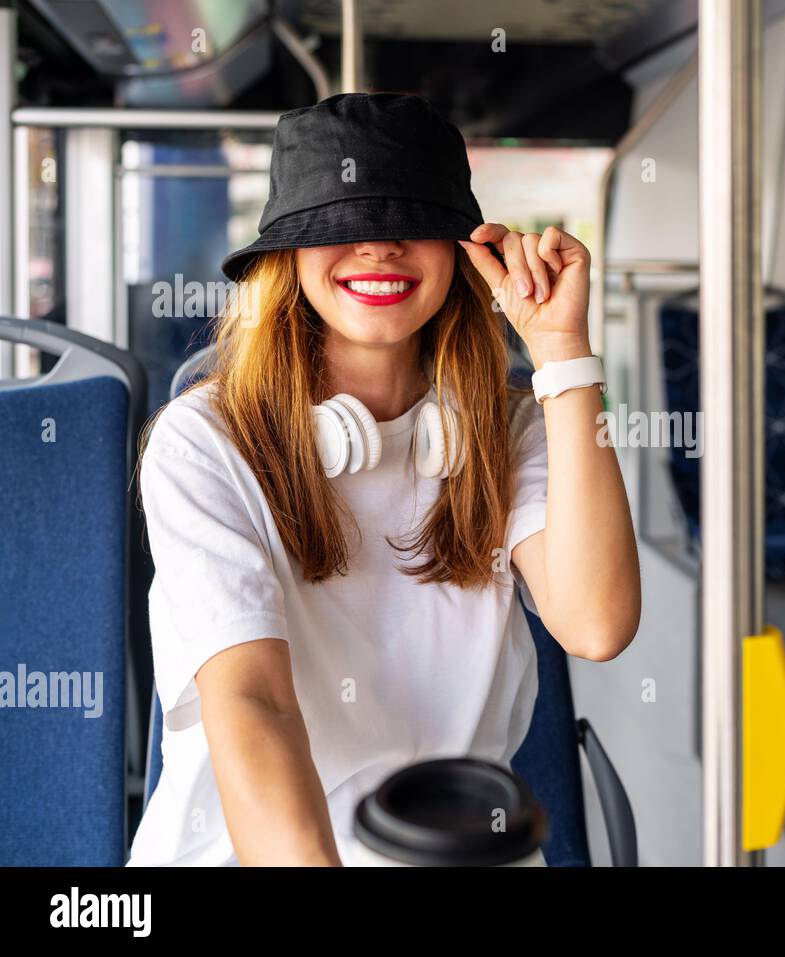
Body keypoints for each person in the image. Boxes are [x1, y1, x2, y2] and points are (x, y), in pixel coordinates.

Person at [126, 93, 640, 866]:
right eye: (339, 227)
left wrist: (563, 353)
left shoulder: (503, 431)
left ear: (462, 252)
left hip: (455, 847)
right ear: (288, 259)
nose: (378, 249)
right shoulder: (204, 444)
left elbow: (598, 623)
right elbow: (254, 701)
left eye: (411, 224)